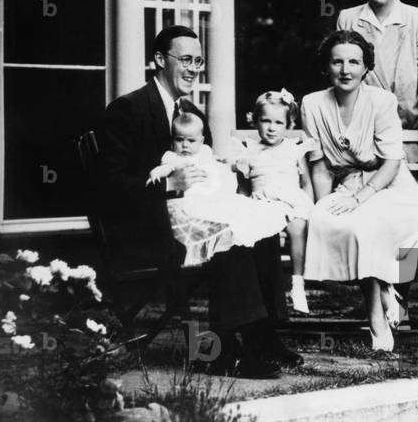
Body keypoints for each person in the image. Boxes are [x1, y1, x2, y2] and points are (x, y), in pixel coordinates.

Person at [99, 25, 299, 378]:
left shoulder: (190, 111)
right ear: (159, 59)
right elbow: (109, 185)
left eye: (198, 61)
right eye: (185, 60)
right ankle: (220, 352)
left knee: (257, 222)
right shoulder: (128, 109)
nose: (193, 68)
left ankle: (262, 335)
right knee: (228, 236)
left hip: (188, 216)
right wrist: (167, 184)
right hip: (143, 229)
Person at [336, 0, 418, 319]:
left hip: (409, 132)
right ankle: (380, 298)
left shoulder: (417, 19)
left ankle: (400, 295)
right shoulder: (349, 18)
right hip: (366, 133)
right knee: (372, 212)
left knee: (406, 214)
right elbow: (343, 76)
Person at [300, 30, 418, 352]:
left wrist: (359, 199)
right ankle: (384, 290)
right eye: (337, 62)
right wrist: (324, 207)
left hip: (391, 187)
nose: (346, 70)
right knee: (333, 221)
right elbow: (319, 166)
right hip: (347, 186)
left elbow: (392, 163)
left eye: (354, 62)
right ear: (326, 66)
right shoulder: (312, 104)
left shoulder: (382, 101)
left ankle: (375, 319)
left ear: (366, 67)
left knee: (365, 225)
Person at [147, 112, 288, 268]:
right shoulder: (174, 158)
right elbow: (166, 168)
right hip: (190, 200)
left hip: (211, 197)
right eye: (179, 140)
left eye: (191, 141)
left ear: (201, 141)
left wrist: (223, 163)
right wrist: (157, 173)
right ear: (173, 141)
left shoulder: (204, 152)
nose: (185, 145)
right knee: (223, 220)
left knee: (245, 213)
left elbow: (214, 163)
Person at [232, 89, 316, 314]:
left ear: (288, 125)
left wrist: (310, 207)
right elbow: (243, 188)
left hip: (290, 202)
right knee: (256, 233)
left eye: (278, 122)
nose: (271, 128)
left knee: (298, 226)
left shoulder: (293, 150)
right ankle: (260, 296)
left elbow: (306, 183)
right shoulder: (248, 152)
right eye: (265, 121)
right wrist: (240, 208)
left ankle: (297, 284)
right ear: (255, 121)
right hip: (261, 204)